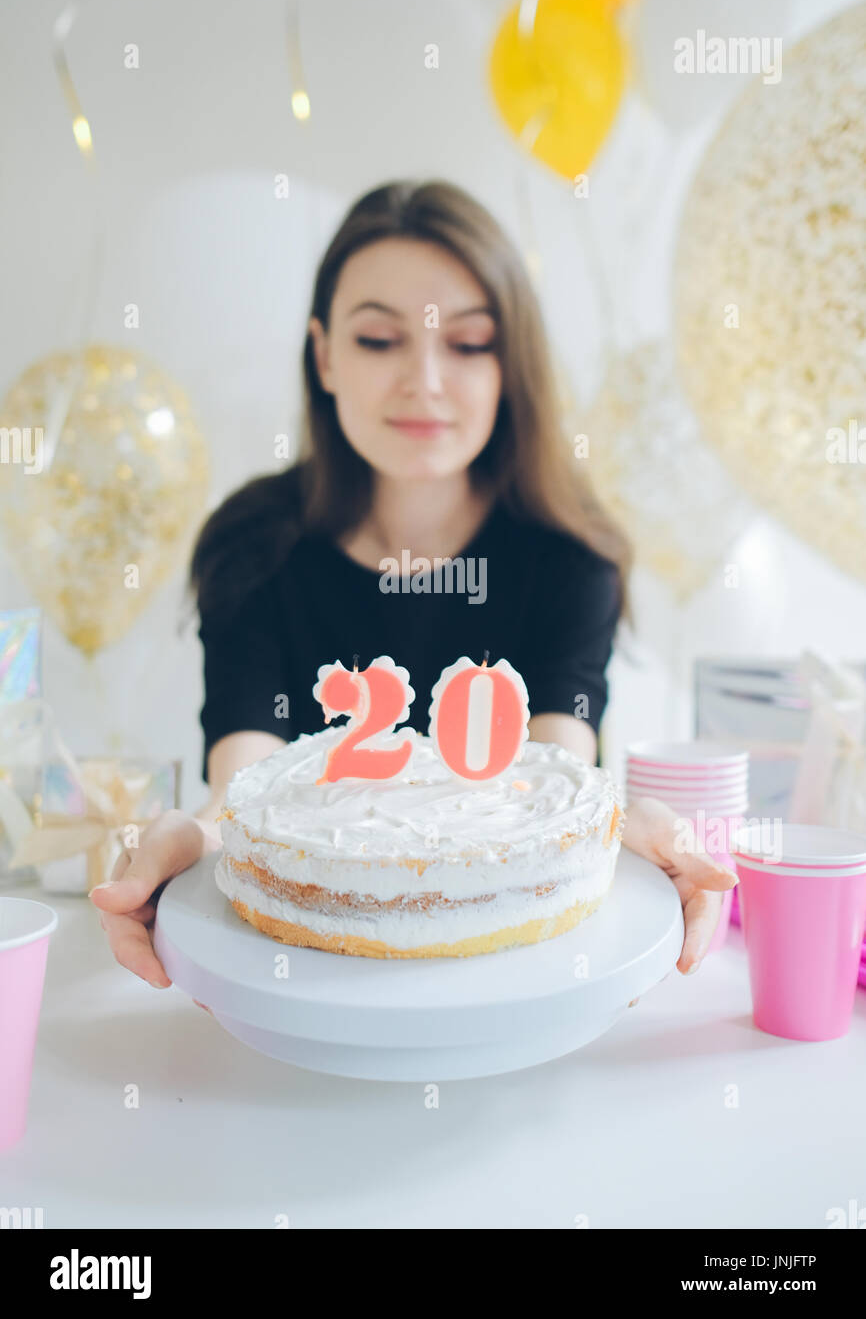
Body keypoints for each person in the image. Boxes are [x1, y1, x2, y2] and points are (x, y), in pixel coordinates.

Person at [92, 179, 736, 1003]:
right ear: (324, 354)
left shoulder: (569, 557)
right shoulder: (256, 544)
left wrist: (620, 825)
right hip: (305, 998)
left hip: (515, 998)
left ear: (511, 364)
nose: (424, 381)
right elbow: (239, 791)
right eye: (378, 340)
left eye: (467, 343)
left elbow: (553, 780)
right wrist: (189, 836)